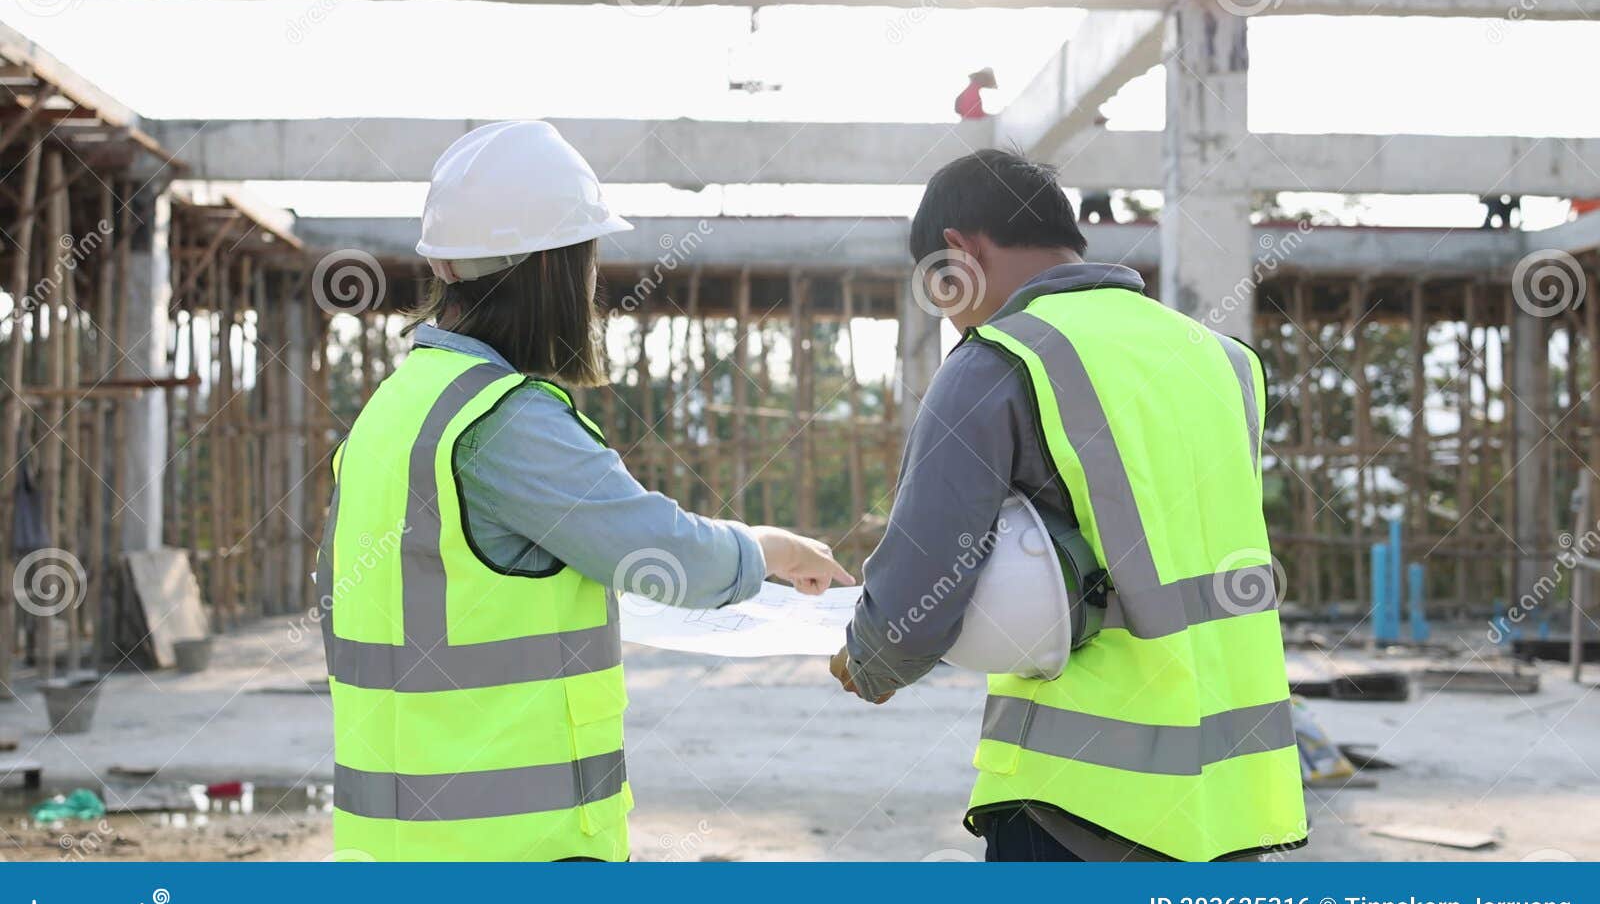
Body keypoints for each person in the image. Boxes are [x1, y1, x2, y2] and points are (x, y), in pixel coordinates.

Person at [317, 121, 852, 861]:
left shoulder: (394, 411)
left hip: (396, 848)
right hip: (516, 856)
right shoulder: (502, 418)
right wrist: (774, 549)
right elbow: (663, 552)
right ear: (551, 272)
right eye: (586, 261)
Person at [829, 149, 1306, 862]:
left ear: (959, 252)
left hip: (1079, 811)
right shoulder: (1224, 360)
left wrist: (867, 661)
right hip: (1232, 807)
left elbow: (912, 610)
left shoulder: (997, 362)